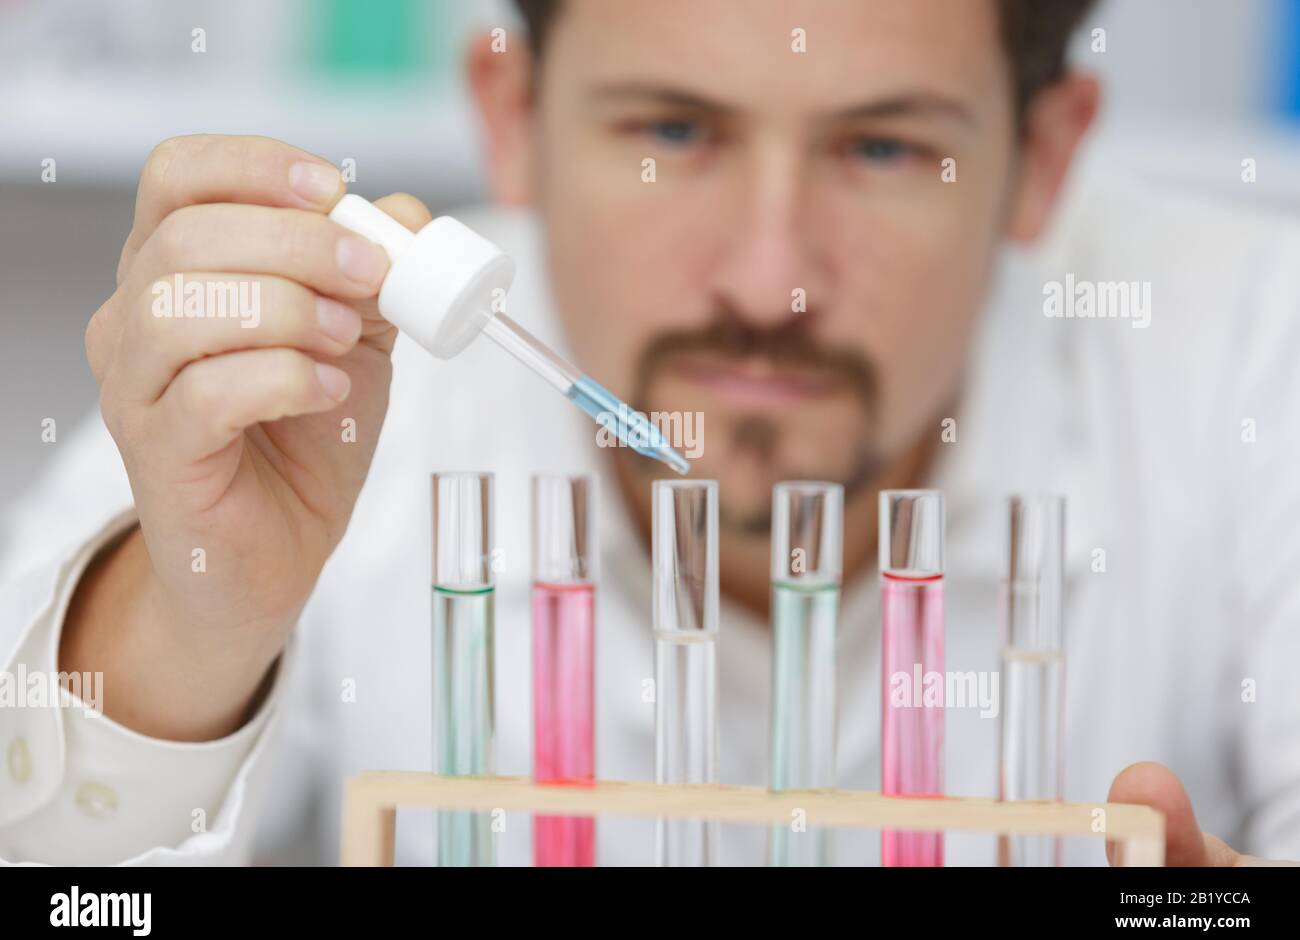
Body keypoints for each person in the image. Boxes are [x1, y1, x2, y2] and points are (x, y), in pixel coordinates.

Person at [2, 0, 1297, 866]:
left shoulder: (1252, 351)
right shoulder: (317, 385)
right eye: (673, 131)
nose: (768, 280)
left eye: (887, 149)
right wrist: (191, 626)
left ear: (1045, 158)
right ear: (512, 118)